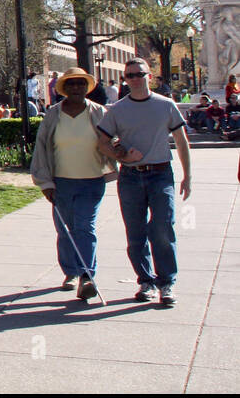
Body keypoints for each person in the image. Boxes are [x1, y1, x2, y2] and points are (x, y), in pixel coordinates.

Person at [96, 58, 192, 306]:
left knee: (162, 228)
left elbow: (181, 141)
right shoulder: (117, 109)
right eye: (130, 75)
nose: (135, 79)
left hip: (161, 174)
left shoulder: (166, 105)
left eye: (139, 74)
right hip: (130, 176)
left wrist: (187, 176)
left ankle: (167, 282)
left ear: (150, 76)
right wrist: (121, 155)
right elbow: (102, 142)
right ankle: (145, 281)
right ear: (125, 79)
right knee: (135, 232)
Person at [30, 67, 116, 300]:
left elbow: (113, 140)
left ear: (87, 87)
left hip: (92, 181)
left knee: (85, 228)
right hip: (61, 183)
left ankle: (87, 275)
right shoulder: (53, 115)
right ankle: (70, 272)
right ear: (65, 88)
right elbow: (42, 148)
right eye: (72, 84)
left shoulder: (99, 112)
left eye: (80, 84)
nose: (76, 88)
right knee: (65, 230)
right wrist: (45, 182)